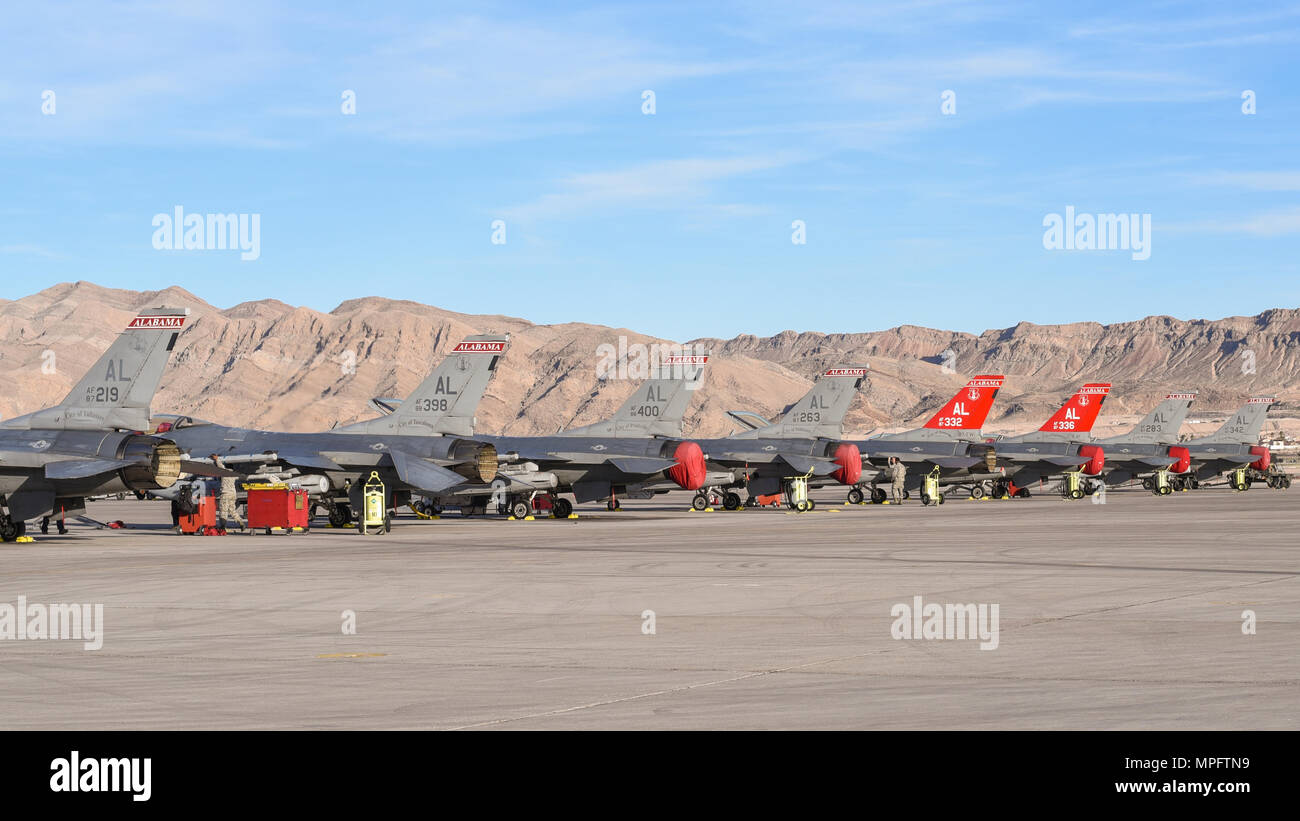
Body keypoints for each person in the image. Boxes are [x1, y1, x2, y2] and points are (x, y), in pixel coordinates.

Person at [212, 453, 244, 531]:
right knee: (232, 510)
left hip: (225, 493)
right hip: (233, 494)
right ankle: (241, 522)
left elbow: (220, 465)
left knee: (223, 510)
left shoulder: (225, 472)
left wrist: (216, 459)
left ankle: (222, 526)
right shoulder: (234, 474)